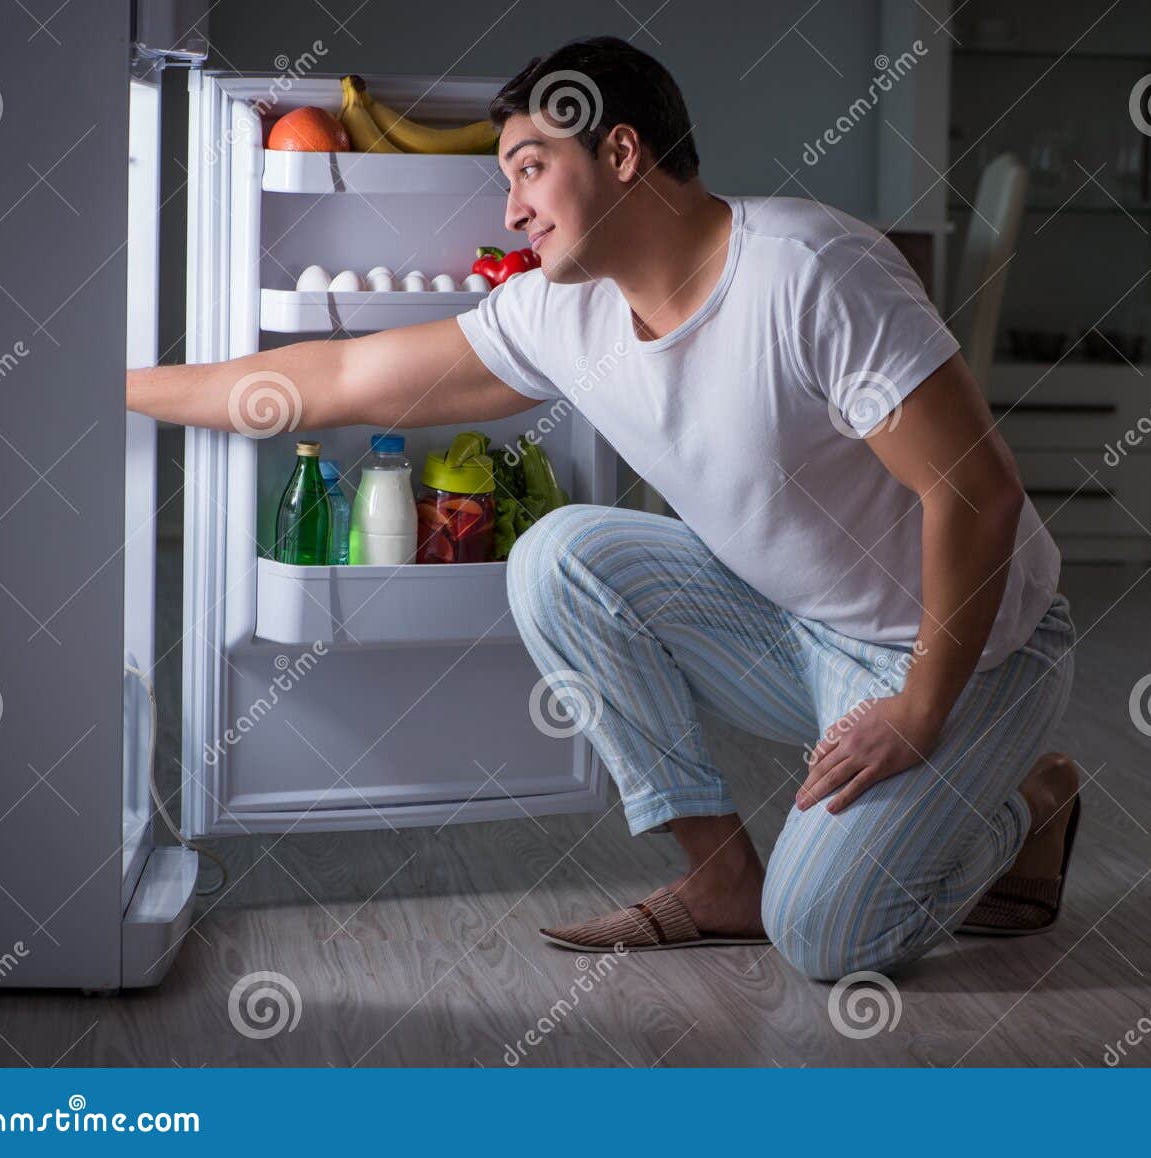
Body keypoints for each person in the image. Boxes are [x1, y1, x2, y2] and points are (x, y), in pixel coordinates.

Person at [127, 36, 1083, 983]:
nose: (513, 209)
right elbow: (343, 375)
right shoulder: (559, 313)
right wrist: (117, 383)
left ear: (622, 154)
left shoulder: (810, 271)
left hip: (968, 646)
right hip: (799, 629)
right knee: (559, 555)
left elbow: (976, 491)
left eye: (532, 170)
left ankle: (1022, 806)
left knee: (825, 939)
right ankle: (720, 880)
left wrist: (918, 708)